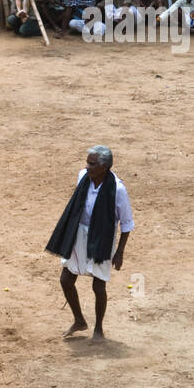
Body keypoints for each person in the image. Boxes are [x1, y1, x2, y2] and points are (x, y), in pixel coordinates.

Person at [45, 144, 134, 342]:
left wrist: (119, 252)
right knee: (66, 279)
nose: (87, 167)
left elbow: (127, 223)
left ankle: (99, 330)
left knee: (98, 285)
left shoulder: (118, 189)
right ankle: (79, 320)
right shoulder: (82, 177)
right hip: (79, 233)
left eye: (91, 163)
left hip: (102, 236)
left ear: (104, 167)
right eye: (87, 162)